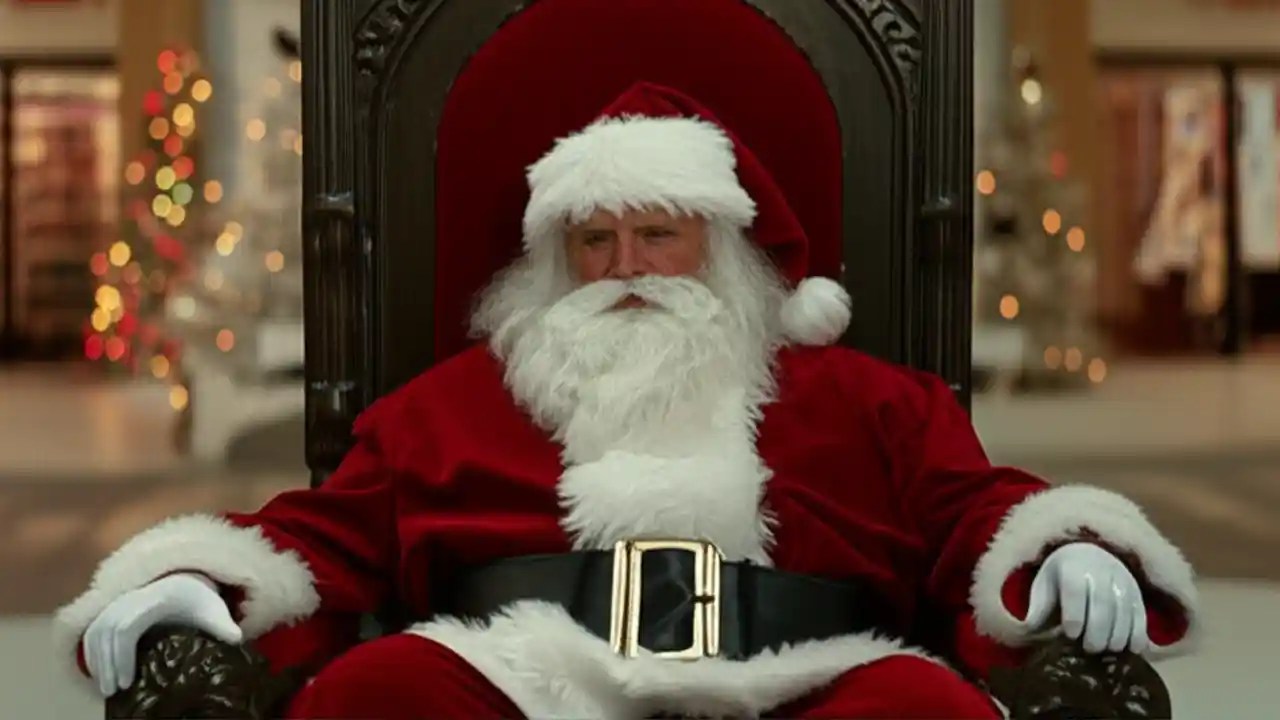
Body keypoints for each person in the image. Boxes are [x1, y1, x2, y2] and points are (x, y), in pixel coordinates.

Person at [56, 82, 1198, 720]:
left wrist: (1062, 548)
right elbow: (323, 537)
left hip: (801, 680)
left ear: (732, 252)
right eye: (593, 240)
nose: (625, 267)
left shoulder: (865, 402)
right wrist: (200, 578)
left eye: (659, 233)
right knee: (380, 693)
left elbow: (972, 514)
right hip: (520, 675)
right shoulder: (453, 405)